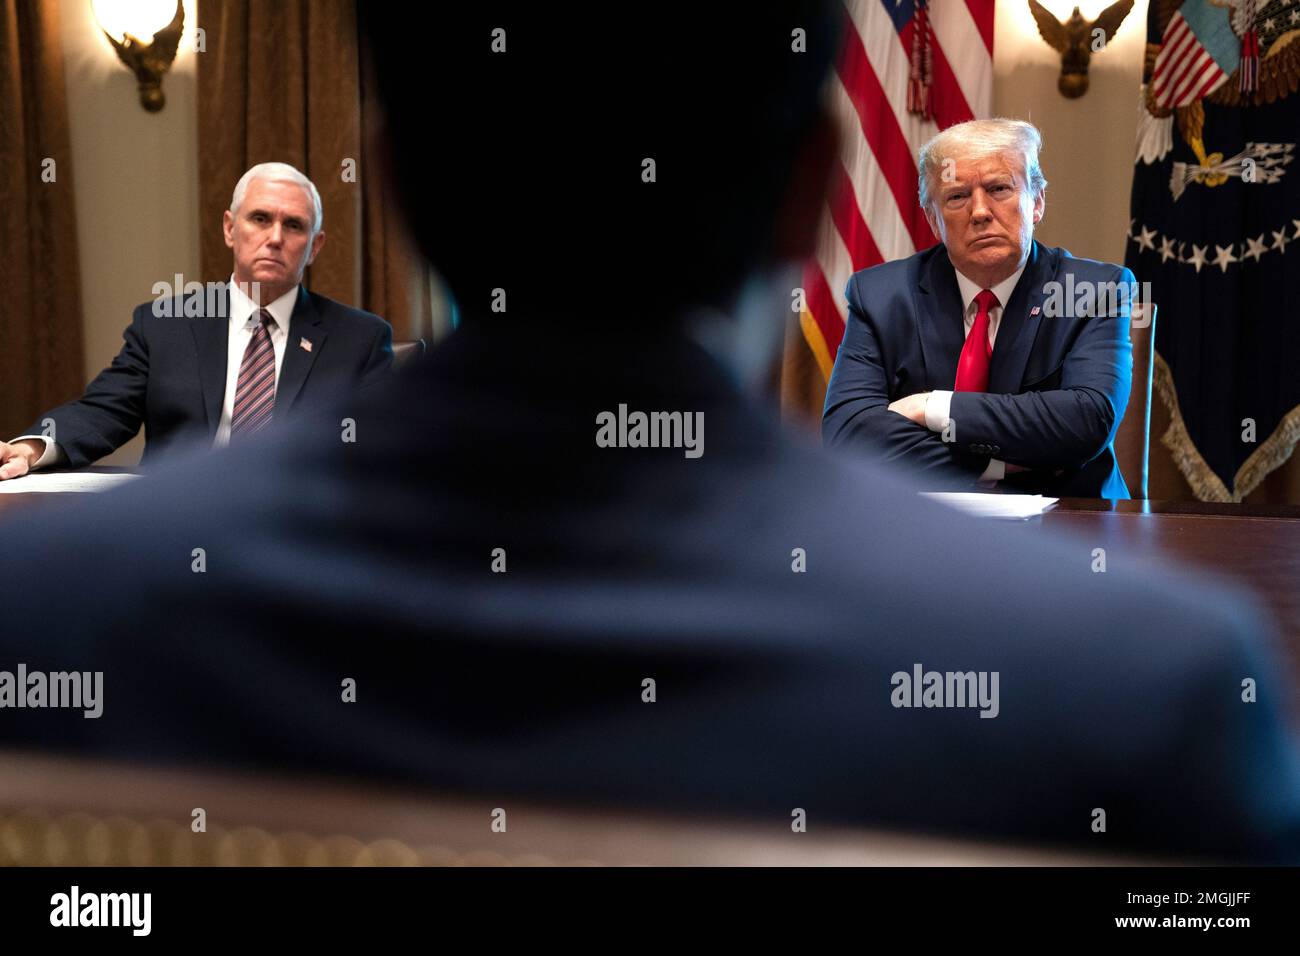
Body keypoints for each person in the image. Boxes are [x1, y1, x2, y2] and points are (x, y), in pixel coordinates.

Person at [0, 5, 1295, 862]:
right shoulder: (1139, 690)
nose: (969, 209)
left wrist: (943, 420)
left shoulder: (43, 618)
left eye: (991, 189)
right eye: (948, 190)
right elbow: (863, 429)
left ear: (383, 185)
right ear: (810, 193)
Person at [0, 162, 392, 478]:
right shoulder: (163, 324)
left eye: (293, 225)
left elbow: (377, 452)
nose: (275, 237)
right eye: (260, 218)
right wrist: (33, 447)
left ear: (314, 247)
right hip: (176, 525)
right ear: (229, 229)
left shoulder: (359, 339)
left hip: (295, 532)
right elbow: (104, 411)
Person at [822, 119, 1133, 499]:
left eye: (999, 188)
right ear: (934, 220)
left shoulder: (1093, 290)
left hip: (1071, 525)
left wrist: (932, 406)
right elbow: (849, 433)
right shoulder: (879, 295)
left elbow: (1086, 421)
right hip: (923, 523)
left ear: (1036, 202)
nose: (980, 212)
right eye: (957, 196)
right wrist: (991, 466)